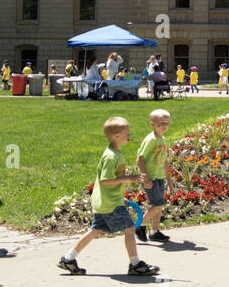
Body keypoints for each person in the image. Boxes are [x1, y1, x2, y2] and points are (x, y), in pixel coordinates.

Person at [57, 116, 160, 277]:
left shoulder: (115, 153)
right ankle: (135, 264)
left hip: (108, 202)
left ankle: (68, 258)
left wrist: (122, 198)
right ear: (117, 136)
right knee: (130, 228)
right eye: (127, 132)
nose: (129, 135)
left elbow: (109, 183)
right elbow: (106, 181)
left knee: (94, 231)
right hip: (110, 204)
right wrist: (129, 178)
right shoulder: (111, 156)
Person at [135, 108, 172, 245]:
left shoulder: (162, 139)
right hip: (150, 178)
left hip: (159, 177)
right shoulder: (151, 139)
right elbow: (140, 159)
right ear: (152, 124)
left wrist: (169, 180)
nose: (164, 126)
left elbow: (165, 160)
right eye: (161, 123)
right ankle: (139, 226)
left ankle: (154, 232)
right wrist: (145, 178)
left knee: (159, 206)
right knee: (158, 205)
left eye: (167, 123)